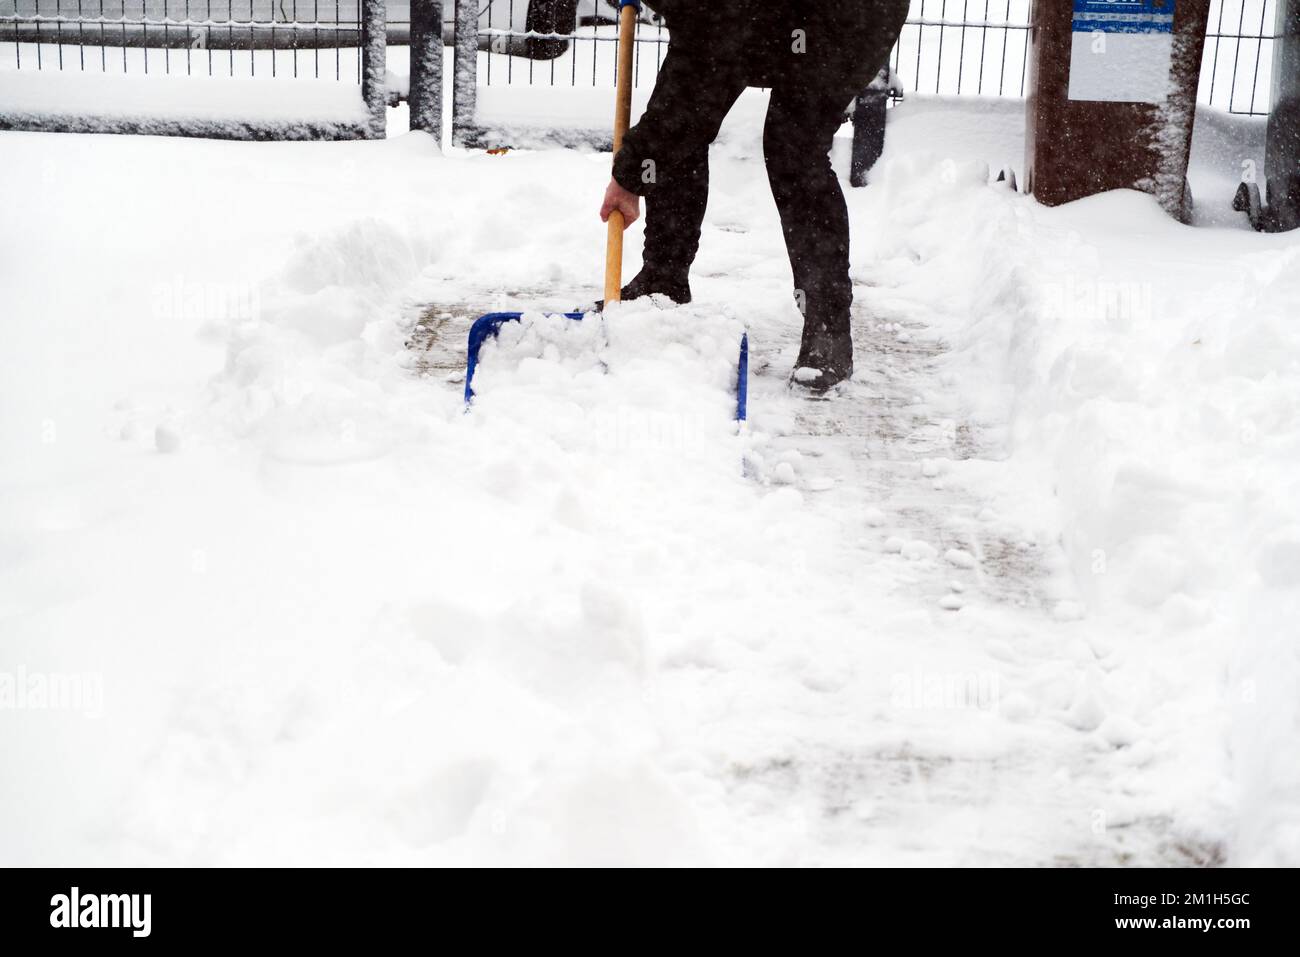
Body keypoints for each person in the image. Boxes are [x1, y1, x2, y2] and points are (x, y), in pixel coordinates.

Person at [599, 0, 911, 392]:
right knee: (683, 123)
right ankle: (662, 285)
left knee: (793, 148)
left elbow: (693, 80)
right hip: (750, 16)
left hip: (843, 16)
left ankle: (827, 323)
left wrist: (628, 177)